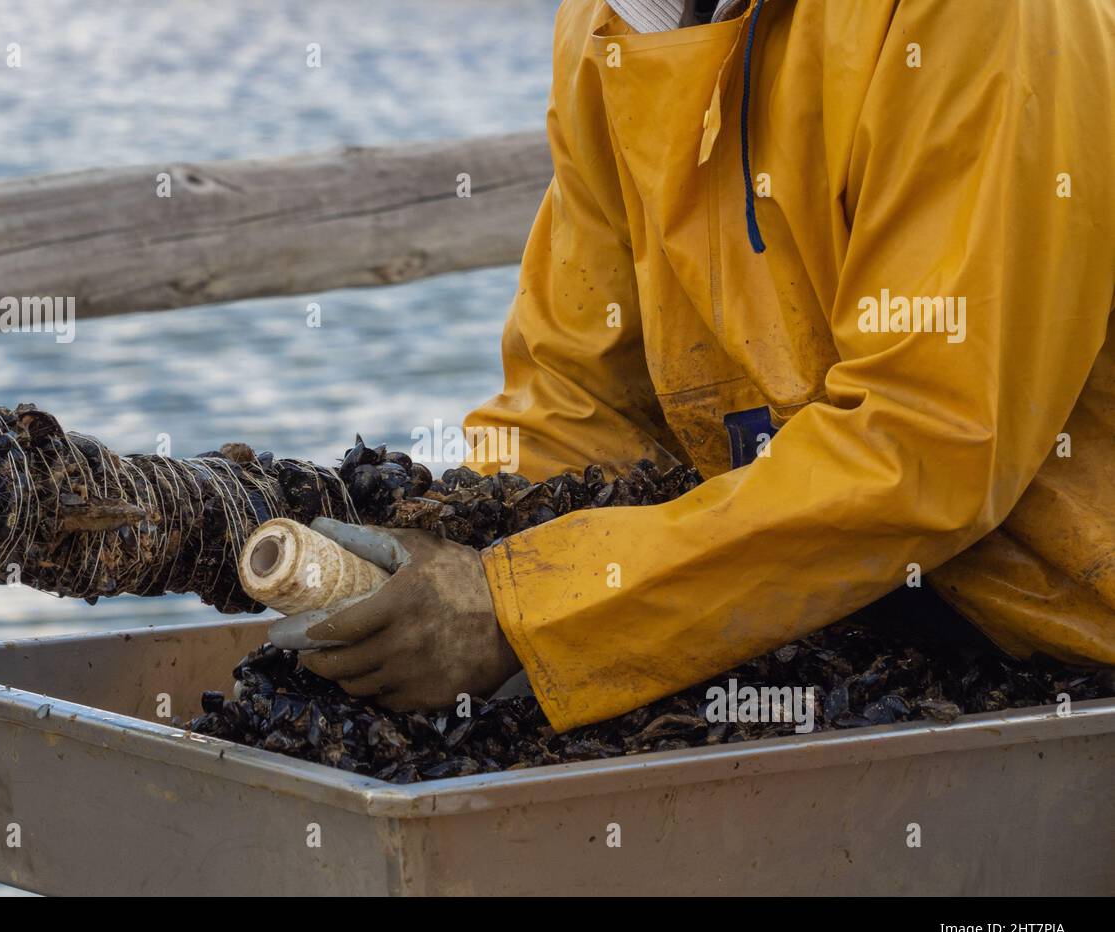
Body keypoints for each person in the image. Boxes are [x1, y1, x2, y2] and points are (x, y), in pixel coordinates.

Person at [271, 0, 1115, 732]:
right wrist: (450, 544)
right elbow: (578, 401)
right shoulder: (611, 26)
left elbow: (929, 442)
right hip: (835, 632)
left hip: (1075, 655)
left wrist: (523, 612)